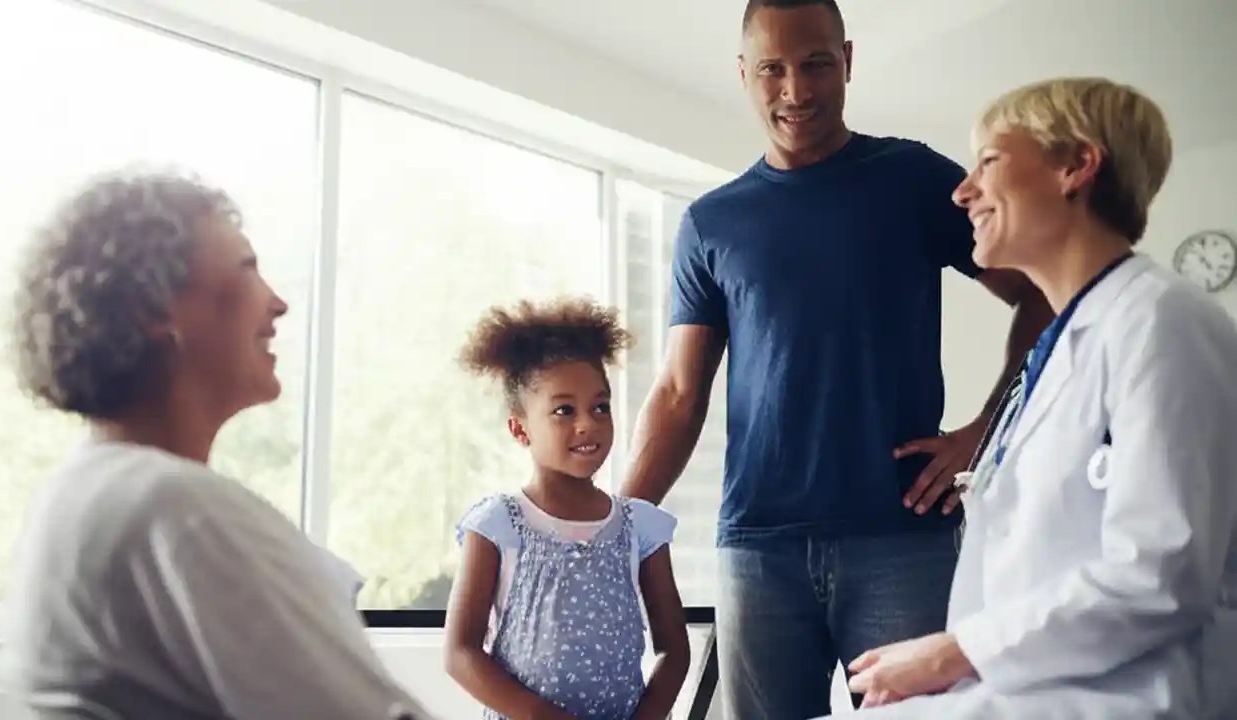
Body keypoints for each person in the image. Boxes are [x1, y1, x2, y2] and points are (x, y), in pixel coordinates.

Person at [619, 0, 1053, 717]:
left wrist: (983, 430)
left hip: (902, 537)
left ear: (847, 60)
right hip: (760, 549)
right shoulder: (711, 223)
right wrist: (615, 530)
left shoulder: (912, 178)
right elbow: (675, 394)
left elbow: (1039, 290)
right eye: (773, 70)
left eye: (817, 63)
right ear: (744, 76)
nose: (796, 90)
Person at [833, 77, 1237, 719]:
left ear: (1075, 166)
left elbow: (1162, 575)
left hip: (1129, 698)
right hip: (1040, 691)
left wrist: (952, 654)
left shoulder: (1163, 321)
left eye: (988, 162)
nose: (963, 191)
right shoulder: (1067, 343)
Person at [0, 169, 431, 720]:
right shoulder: (174, 506)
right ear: (152, 310)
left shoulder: (78, 491)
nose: (278, 304)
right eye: (247, 270)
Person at [444, 298, 689, 720]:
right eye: (564, 411)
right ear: (520, 429)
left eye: (600, 407)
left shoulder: (640, 527)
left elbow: (674, 650)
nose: (587, 424)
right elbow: (460, 653)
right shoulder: (497, 525)